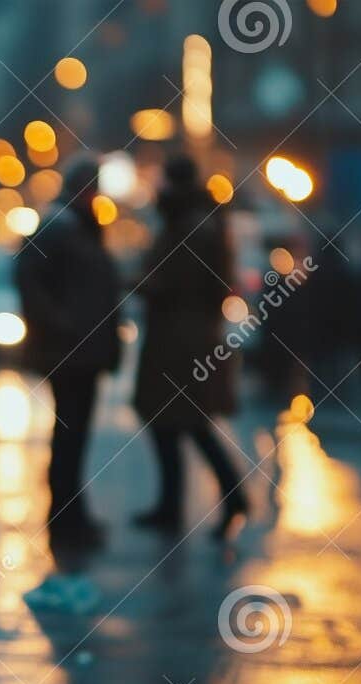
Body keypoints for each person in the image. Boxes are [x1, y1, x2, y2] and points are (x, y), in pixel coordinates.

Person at [132, 154, 247, 540]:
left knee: (187, 423)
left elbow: (172, 283)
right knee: (179, 423)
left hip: (182, 342)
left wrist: (138, 282)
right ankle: (176, 504)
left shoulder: (192, 228)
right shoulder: (198, 223)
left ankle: (229, 497)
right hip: (183, 337)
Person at [13, 158, 124, 546]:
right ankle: (65, 520)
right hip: (71, 352)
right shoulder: (59, 227)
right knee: (69, 436)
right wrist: (58, 323)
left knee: (74, 437)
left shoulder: (80, 227)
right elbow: (29, 277)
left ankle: (71, 516)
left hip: (84, 350)